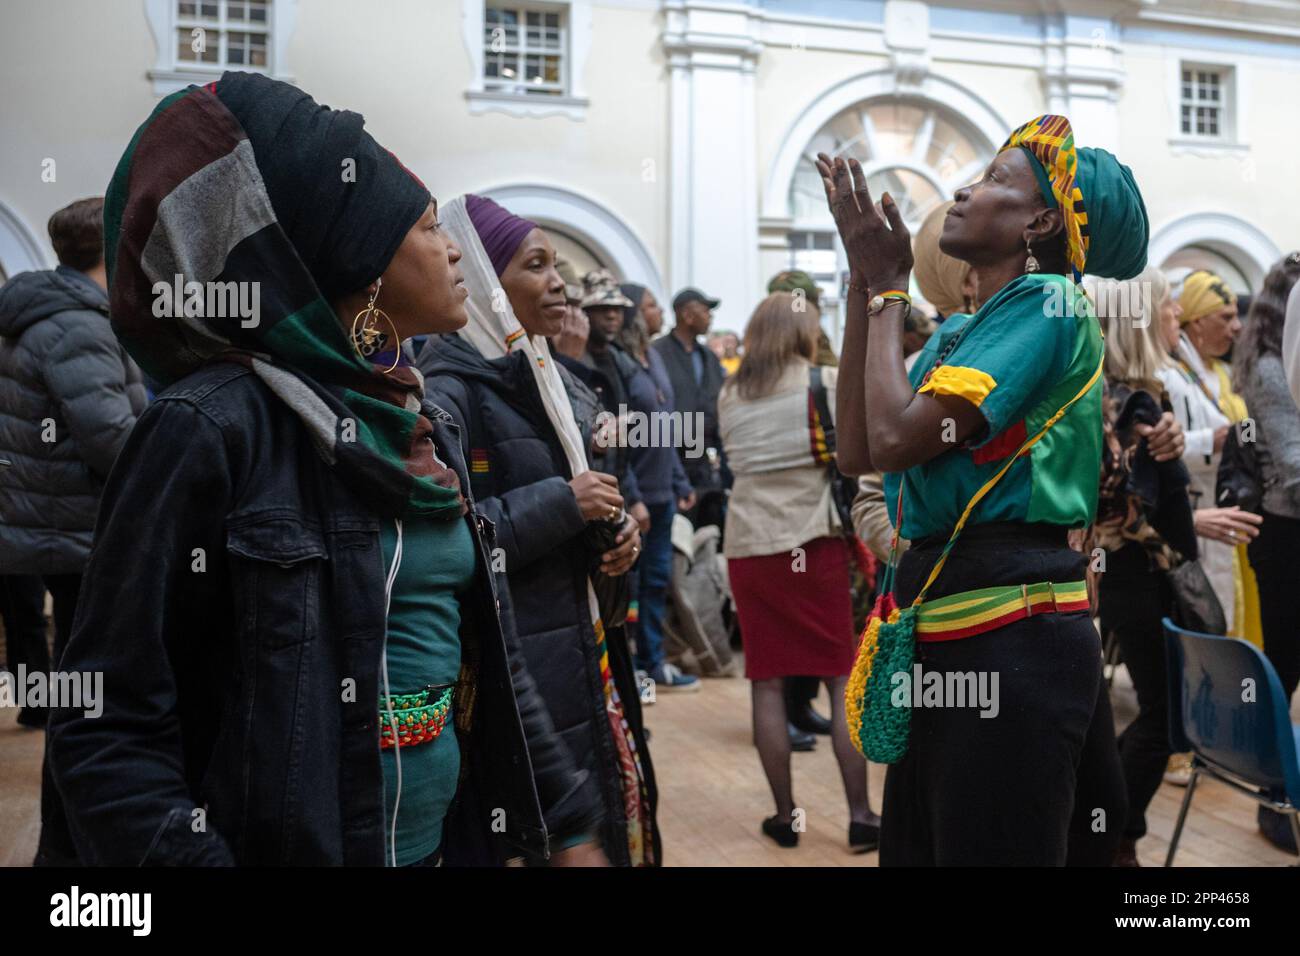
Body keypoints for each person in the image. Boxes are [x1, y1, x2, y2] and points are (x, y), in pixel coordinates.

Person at [45, 74, 602, 867]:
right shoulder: (210, 427)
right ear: (356, 257)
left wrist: (567, 819)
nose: (451, 249)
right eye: (422, 225)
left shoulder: (417, 418)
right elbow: (108, 720)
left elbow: (485, 647)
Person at [827, 114, 1146, 865]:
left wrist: (886, 287)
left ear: (1040, 221)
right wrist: (861, 283)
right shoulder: (958, 333)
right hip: (944, 635)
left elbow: (902, 439)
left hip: (1013, 645)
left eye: (997, 179)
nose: (965, 190)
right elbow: (857, 448)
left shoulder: (1052, 304)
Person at [418, 194, 659, 867]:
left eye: (558, 265)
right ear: (493, 286)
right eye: (535, 266)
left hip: (576, 648)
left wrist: (612, 543)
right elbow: (454, 542)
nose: (560, 282)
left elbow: (579, 512)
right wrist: (565, 503)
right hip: (515, 672)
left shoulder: (553, 384)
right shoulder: (451, 392)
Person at [0, 196, 148, 863]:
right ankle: (68, 849)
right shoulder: (78, 325)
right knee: (91, 703)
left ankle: (64, 844)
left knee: (76, 694)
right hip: (78, 531)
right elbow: (113, 436)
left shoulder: (40, 310)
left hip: (49, 525)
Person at [719, 292, 880, 852]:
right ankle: (861, 817)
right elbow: (859, 455)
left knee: (766, 680)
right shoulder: (824, 383)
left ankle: (785, 816)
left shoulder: (730, 393)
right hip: (813, 546)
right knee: (840, 677)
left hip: (748, 548)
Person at [1087, 268, 1198, 867]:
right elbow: (1144, 508)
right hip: (1147, 579)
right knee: (1168, 716)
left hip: (1129, 577)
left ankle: (1110, 832)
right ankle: (1115, 837)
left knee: (1156, 713)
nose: (1172, 315)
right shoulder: (1134, 403)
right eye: (1164, 307)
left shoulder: (1108, 396)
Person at [1234, 251, 1300, 854]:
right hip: (1284, 533)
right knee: (1282, 668)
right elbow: (1294, 462)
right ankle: (1275, 800)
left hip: (1287, 527)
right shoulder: (1269, 363)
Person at [1158, 270, 1262, 637]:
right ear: (1197, 322)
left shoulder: (1229, 374)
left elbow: (1247, 428)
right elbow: (1158, 449)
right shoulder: (1171, 376)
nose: (1237, 327)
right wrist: (1211, 440)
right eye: (1226, 317)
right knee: (1209, 623)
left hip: (1232, 507)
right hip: (1197, 513)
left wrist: (1245, 437)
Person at [615, 280, 700, 693]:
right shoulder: (617, 363)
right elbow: (617, 441)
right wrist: (632, 496)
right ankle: (633, 670)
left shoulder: (654, 359)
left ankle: (654, 662)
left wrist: (681, 480)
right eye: (650, 305)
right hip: (639, 498)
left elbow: (667, 427)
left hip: (665, 492)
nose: (660, 312)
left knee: (656, 582)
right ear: (632, 312)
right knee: (630, 584)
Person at [653, 287, 727, 527]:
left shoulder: (709, 357)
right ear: (687, 315)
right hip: (672, 461)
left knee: (709, 530)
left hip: (706, 461)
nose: (710, 317)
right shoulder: (657, 353)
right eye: (705, 311)